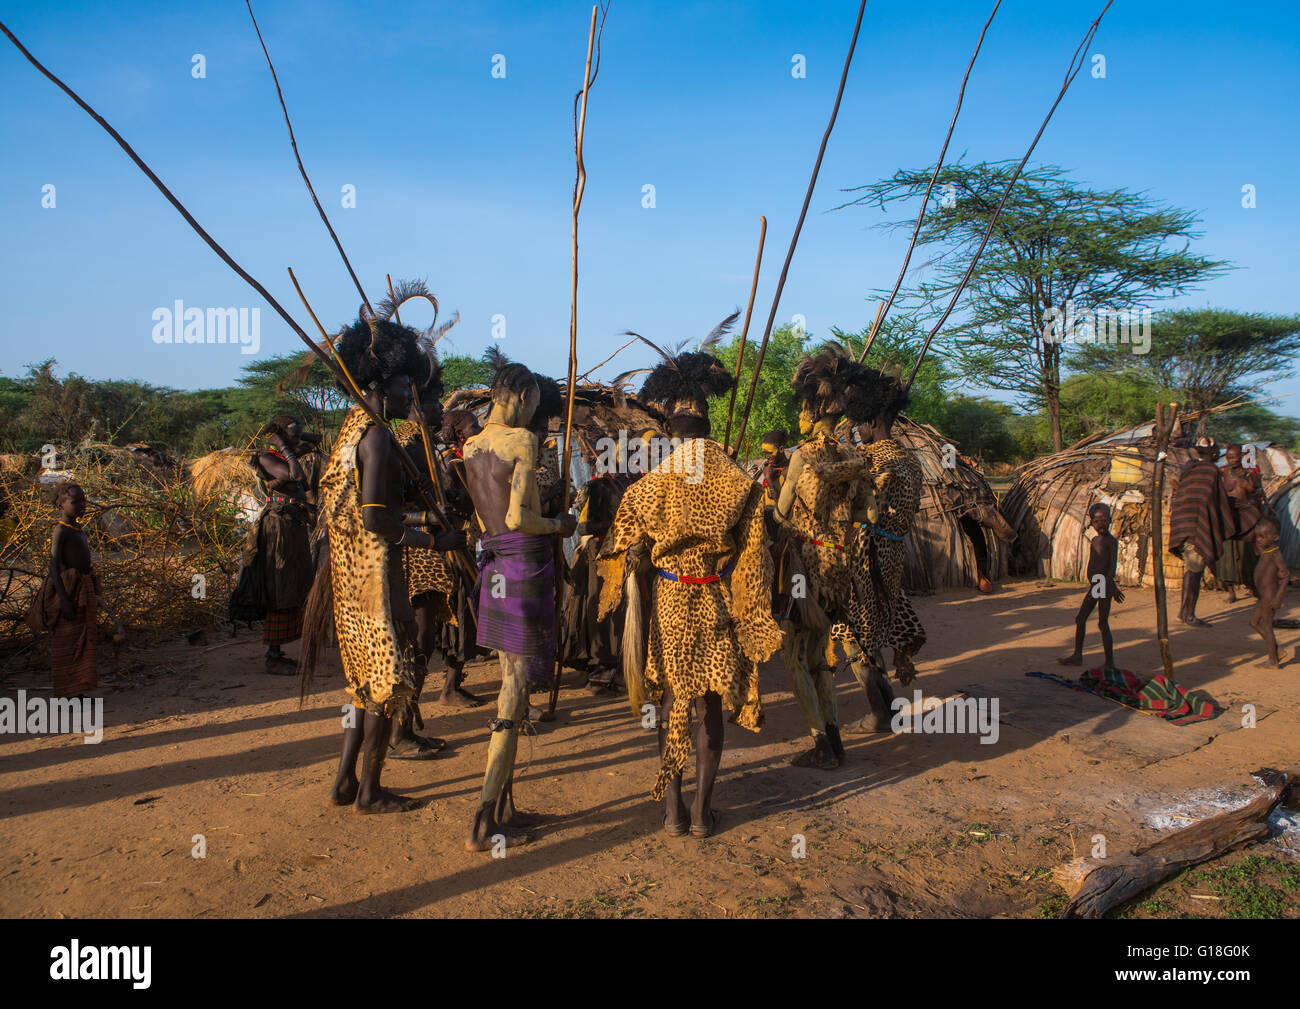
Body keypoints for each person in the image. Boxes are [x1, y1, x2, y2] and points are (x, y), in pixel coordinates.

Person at [599, 345, 781, 837]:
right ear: (709, 424)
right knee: (710, 703)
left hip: (671, 600)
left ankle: (673, 810)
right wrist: (755, 617)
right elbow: (756, 562)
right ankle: (703, 811)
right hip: (716, 599)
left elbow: (619, 549)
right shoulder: (741, 481)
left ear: (672, 430)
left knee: (669, 697)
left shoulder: (651, 483)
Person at [302, 319, 463, 814]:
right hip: (373, 579)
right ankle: (370, 791)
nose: (407, 392)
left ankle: (344, 781)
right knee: (385, 686)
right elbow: (376, 520)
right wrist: (436, 541)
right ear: (377, 384)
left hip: (349, 578)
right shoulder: (373, 437)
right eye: (401, 384)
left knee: (360, 685)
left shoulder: (353, 431)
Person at [461, 363, 577, 851]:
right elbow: (518, 516)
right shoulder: (522, 443)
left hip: (494, 564)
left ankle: (504, 805)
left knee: (515, 676)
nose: (535, 412)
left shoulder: (469, 446)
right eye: (534, 402)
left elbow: (489, 513)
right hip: (523, 563)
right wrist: (560, 525)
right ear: (525, 394)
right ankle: (485, 818)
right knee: (513, 687)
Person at [773, 346, 871, 769]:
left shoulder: (802, 456)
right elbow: (871, 512)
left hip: (805, 569)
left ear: (813, 412)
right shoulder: (855, 457)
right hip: (840, 564)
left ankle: (821, 743)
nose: (799, 417)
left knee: (795, 657)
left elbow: (780, 512)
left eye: (802, 410)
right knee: (821, 656)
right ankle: (835, 739)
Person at [838, 366, 926, 734]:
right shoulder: (910, 460)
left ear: (871, 421)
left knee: (852, 634)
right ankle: (887, 708)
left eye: (859, 424)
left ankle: (878, 713)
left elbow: (849, 506)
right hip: (891, 554)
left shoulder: (872, 461)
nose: (857, 430)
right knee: (872, 629)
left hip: (865, 554)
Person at [246, 415, 321, 675]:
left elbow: (317, 441)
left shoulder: (284, 452)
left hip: (293, 524)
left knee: (296, 581)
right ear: (279, 437)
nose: (297, 436)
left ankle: (280, 650)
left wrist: (294, 436)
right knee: (279, 583)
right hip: (278, 527)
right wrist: (282, 444)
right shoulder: (267, 457)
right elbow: (294, 474)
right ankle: (273, 655)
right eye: (292, 432)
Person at [1169, 437, 1236, 627]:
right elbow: (1217, 500)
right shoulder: (1211, 471)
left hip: (1183, 525)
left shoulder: (1188, 470)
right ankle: (1189, 615)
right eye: (1216, 453)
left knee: (1190, 570)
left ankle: (1184, 612)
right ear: (1213, 453)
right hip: (1197, 528)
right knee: (1194, 572)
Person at [42, 482, 100, 696]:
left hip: (82, 589)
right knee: (67, 643)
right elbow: (53, 564)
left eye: (83, 500)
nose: (82, 505)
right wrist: (64, 599)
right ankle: (67, 694)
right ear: (61, 504)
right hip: (68, 591)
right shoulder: (61, 530)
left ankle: (79, 692)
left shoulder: (77, 529)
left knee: (82, 641)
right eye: (76, 502)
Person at [1058, 503, 1124, 668]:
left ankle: (1105, 662)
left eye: (1104, 520)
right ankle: (1080, 656)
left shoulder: (1110, 542)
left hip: (1101, 585)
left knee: (1094, 621)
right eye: (1096, 521)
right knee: (1090, 621)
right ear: (1091, 522)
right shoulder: (1095, 540)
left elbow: (1111, 568)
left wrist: (1110, 586)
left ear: (1109, 520)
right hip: (1098, 585)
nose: (1100, 524)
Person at [1216, 443, 1267, 602]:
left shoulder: (1249, 473)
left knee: (1248, 554)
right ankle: (1231, 591)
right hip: (1228, 516)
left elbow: (1258, 491)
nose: (1231, 460)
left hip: (1245, 517)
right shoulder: (1223, 471)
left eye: (1234, 457)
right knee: (1227, 555)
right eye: (1229, 457)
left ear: (1242, 457)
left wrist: (1254, 477)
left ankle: (1252, 587)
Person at [1249, 517, 1289, 667]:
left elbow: (1286, 576)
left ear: (1275, 537)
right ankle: (1276, 651)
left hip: (1270, 597)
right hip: (1264, 596)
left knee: (1267, 626)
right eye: (1258, 536)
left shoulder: (1275, 554)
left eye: (1263, 537)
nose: (1259, 540)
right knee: (1253, 622)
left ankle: (1273, 660)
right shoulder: (1267, 551)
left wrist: (1278, 597)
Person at [759, 429, 790, 508]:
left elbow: (782, 505)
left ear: (781, 449)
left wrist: (769, 479)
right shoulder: (768, 467)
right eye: (765, 453)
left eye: (770, 453)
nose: (767, 457)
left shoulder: (789, 470)